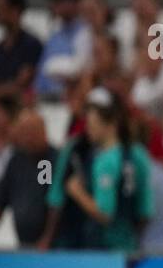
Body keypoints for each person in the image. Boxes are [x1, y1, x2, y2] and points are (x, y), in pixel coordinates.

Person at [55, 88, 153, 251]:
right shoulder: (138, 154)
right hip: (130, 247)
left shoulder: (105, 162)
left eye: (92, 123)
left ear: (110, 123)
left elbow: (104, 214)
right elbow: (145, 211)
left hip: (106, 251)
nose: (88, 129)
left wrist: (77, 192)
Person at [0, 109, 56, 247]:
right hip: (24, 242)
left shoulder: (45, 163)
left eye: (29, 133)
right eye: (23, 133)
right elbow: (0, 200)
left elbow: (51, 203)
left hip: (49, 244)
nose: (26, 138)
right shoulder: (16, 160)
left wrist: (47, 237)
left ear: (42, 133)